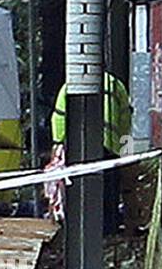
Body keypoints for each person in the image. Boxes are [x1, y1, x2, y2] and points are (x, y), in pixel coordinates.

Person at [51, 71, 132, 233]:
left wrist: (58, 142)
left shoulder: (70, 85)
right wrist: (122, 147)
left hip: (77, 148)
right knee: (109, 191)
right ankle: (109, 228)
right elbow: (125, 119)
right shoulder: (116, 85)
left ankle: (78, 227)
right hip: (110, 149)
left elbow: (59, 117)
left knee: (78, 189)